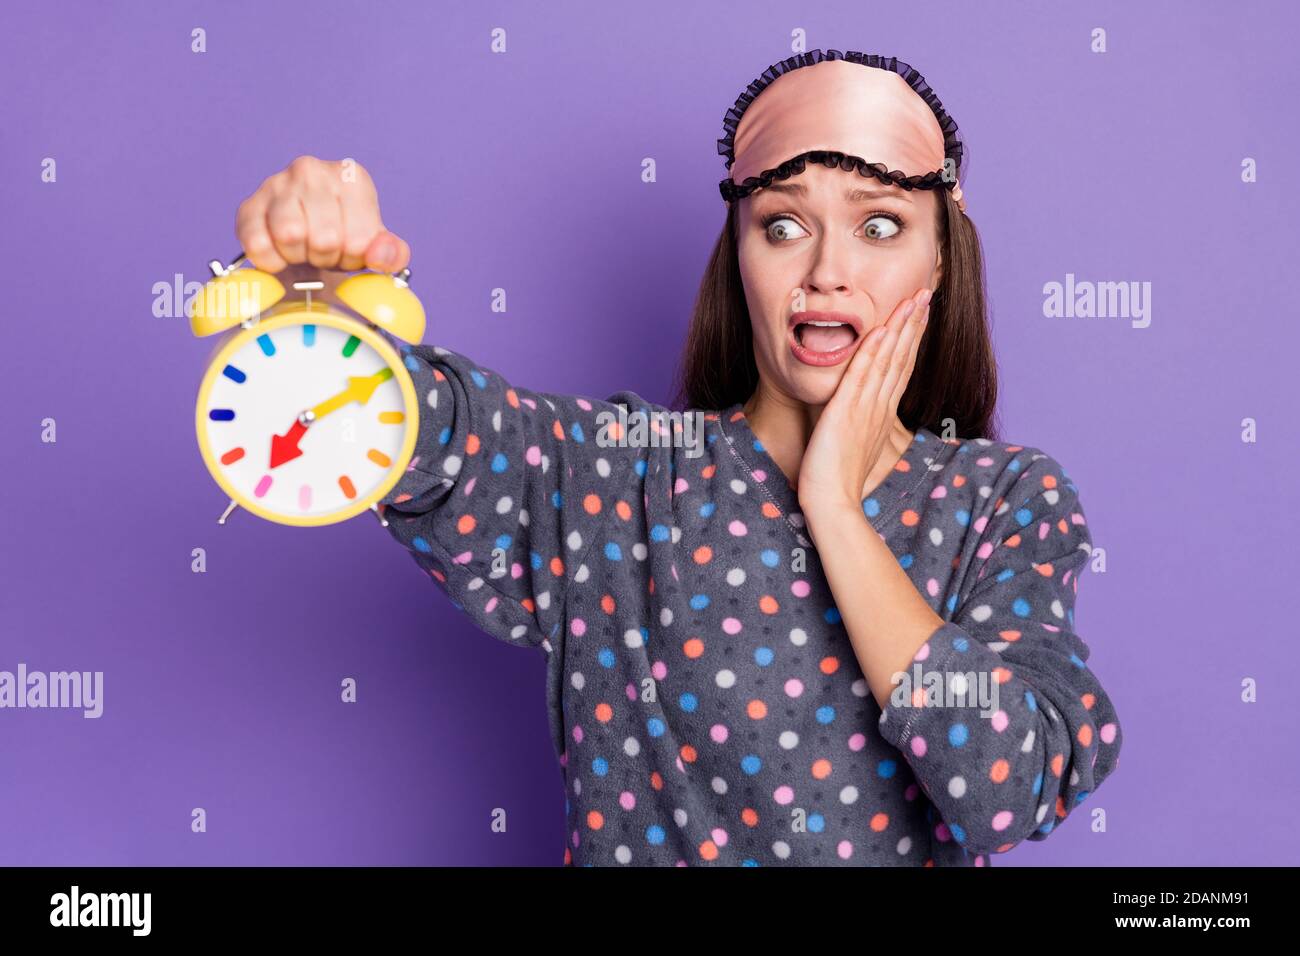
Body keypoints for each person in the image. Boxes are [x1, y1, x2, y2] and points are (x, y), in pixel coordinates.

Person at [232, 49, 1122, 866]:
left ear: (942, 259)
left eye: (880, 225)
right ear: (740, 256)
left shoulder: (1002, 500)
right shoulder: (622, 478)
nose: (826, 270)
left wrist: (836, 510)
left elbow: (1012, 785)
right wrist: (323, 302)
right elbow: (399, 424)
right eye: (782, 224)